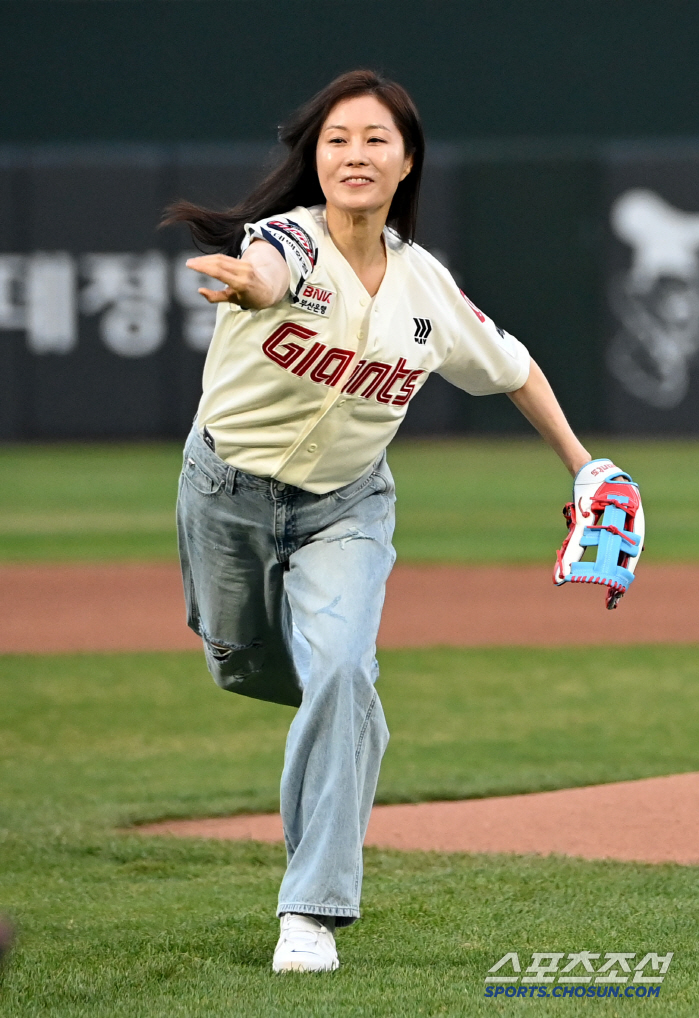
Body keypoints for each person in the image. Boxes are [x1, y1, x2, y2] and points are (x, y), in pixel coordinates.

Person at [165, 69, 591, 973]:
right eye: (337, 140)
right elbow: (271, 271)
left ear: (405, 163)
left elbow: (514, 368)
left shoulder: (424, 286)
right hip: (226, 496)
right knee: (242, 667)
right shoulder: (284, 242)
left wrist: (583, 465)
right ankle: (342, 709)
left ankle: (308, 912)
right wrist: (253, 287)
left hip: (347, 505)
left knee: (343, 675)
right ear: (315, 160)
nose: (355, 154)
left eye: (374, 140)